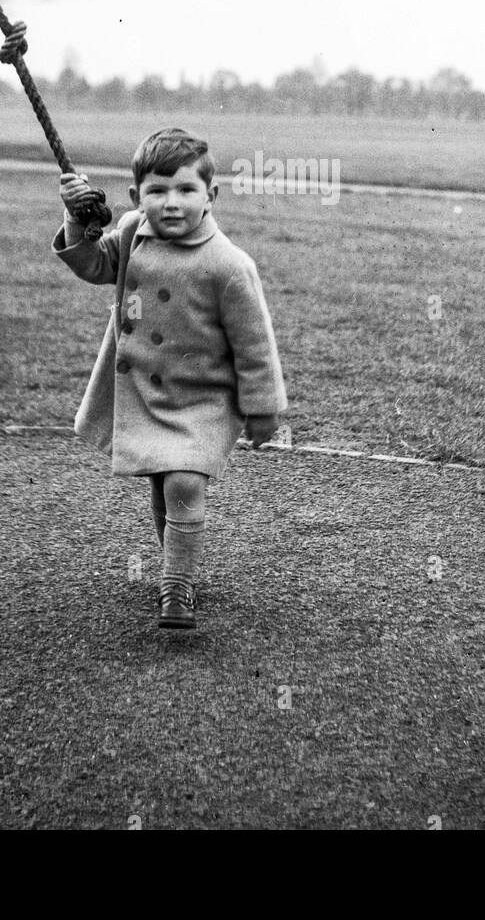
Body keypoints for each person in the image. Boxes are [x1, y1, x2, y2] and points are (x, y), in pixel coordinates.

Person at [53, 127, 287, 630]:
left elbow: (254, 344)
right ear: (138, 197)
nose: (172, 203)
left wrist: (263, 408)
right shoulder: (133, 233)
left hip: (205, 396)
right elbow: (93, 264)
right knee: (164, 485)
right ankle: (176, 564)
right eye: (158, 191)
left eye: (186, 190)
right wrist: (77, 219)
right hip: (146, 392)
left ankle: (176, 587)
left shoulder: (228, 265)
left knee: (182, 480)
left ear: (211, 196)